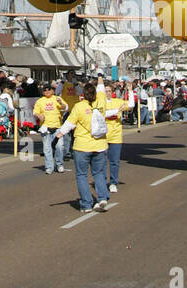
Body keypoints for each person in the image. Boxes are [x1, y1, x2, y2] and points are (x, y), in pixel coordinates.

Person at [56, 79, 109, 213]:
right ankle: (102, 197)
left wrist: (58, 136)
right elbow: (102, 90)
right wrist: (100, 78)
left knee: (82, 175)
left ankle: (86, 204)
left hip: (82, 146)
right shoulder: (101, 102)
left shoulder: (79, 107)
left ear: (83, 95)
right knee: (98, 173)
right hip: (100, 145)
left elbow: (69, 124)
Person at [33, 83, 67, 174]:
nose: (47, 91)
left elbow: (65, 108)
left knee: (59, 147)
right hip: (46, 128)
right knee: (47, 149)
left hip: (57, 127)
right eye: (45, 90)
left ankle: (59, 164)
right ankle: (49, 167)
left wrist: (61, 103)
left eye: (49, 89)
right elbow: (35, 112)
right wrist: (39, 115)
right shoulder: (40, 101)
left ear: (52, 90)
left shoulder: (57, 98)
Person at [103, 83, 125, 193]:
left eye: (108, 91)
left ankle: (113, 182)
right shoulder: (100, 103)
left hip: (116, 136)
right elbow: (103, 114)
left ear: (112, 92)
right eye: (105, 91)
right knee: (102, 161)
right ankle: (101, 182)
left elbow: (130, 105)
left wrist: (130, 91)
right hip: (103, 136)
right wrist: (116, 111)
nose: (107, 93)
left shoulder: (118, 102)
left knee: (114, 161)